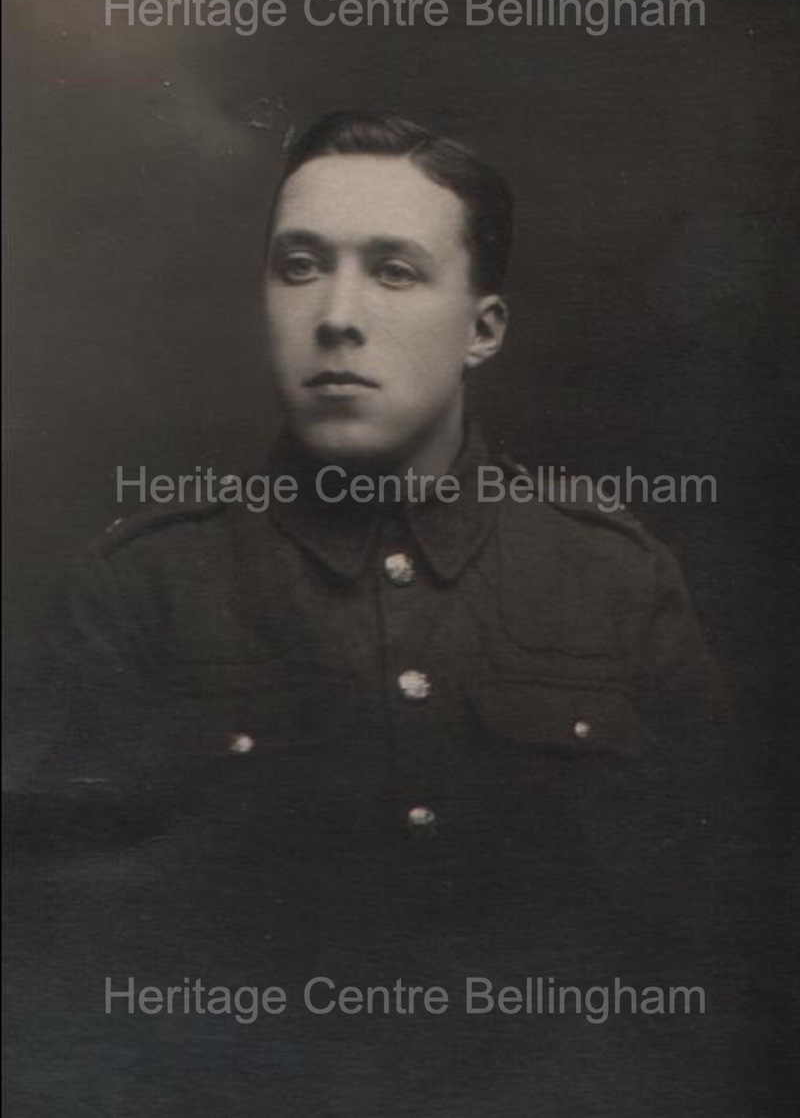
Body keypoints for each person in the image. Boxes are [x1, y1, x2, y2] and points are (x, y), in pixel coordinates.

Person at [7, 111, 733, 1115]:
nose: (335, 314)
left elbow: (718, 969)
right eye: (299, 266)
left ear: (482, 328)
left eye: (393, 271)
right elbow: (53, 983)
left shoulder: (613, 582)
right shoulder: (140, 589)